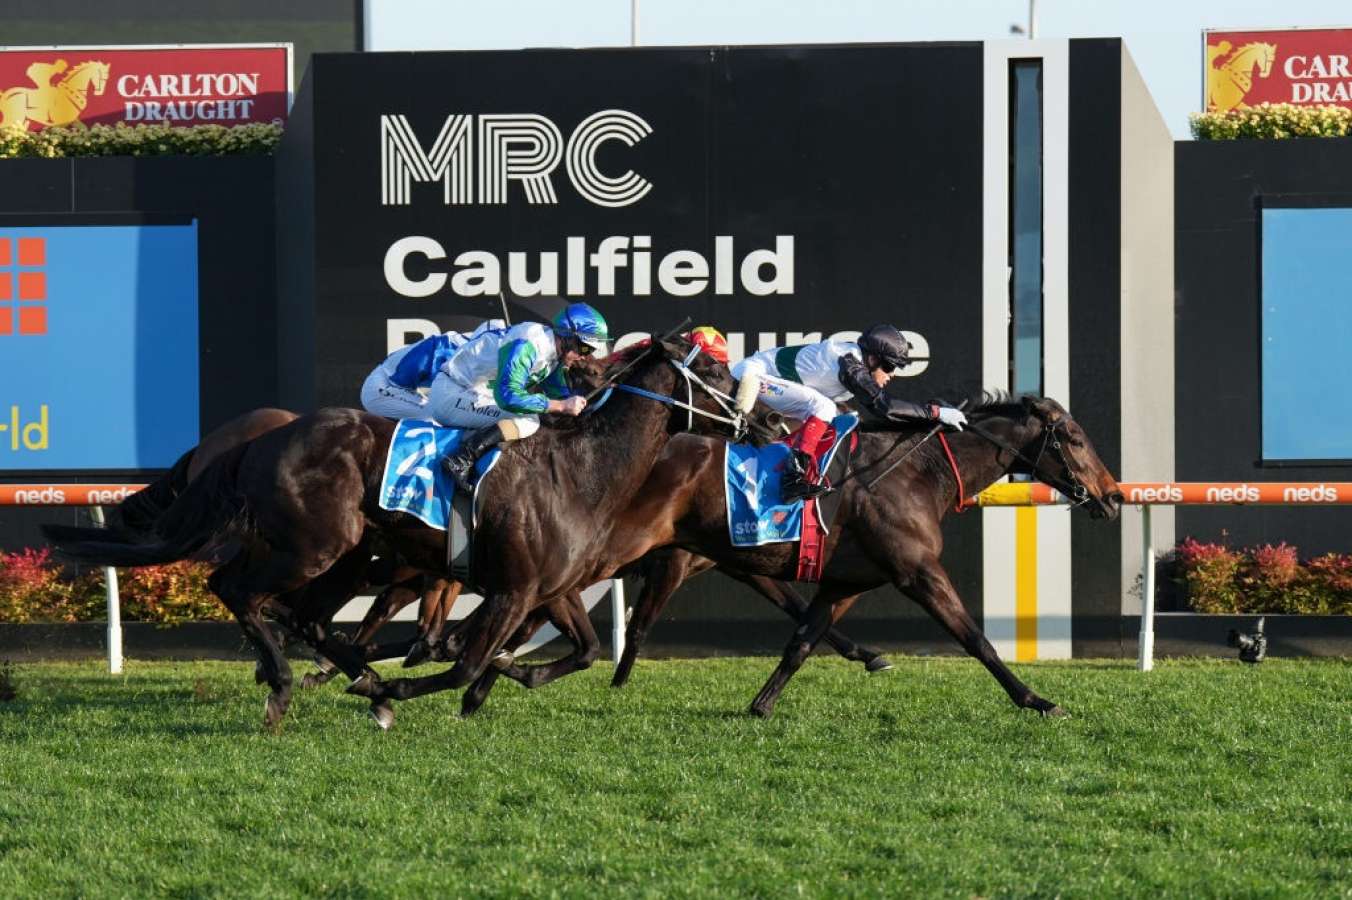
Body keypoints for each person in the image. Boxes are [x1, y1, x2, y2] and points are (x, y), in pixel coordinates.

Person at [731, 325, 968, 502]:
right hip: (751, 376)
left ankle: (789, 468)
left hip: (769, 380)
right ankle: (791, 479)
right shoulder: (850, 364)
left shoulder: (854, 358)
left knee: (832, 415)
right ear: (872, 358)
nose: (892, 374)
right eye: (888, 366)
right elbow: (885, 408)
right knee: (823, 407)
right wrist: (935, 413)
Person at [432, 303, 610, 491]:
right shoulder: (529, 343)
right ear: (566, 336)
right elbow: (508, 396)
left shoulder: (553, 353)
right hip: (451, 394)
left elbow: (559, 394)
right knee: (529, 421)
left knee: (539, 416)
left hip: (473, 394)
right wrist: (560, 406)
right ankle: (461, 458)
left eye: (590, 351)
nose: (585, 356)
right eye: (584, 348)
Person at [360, 319, 505, 420]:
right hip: (384, 387)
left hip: (405, 388)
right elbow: (399, 378)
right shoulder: (444, 348)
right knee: (438, 416)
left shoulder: (484, 352)